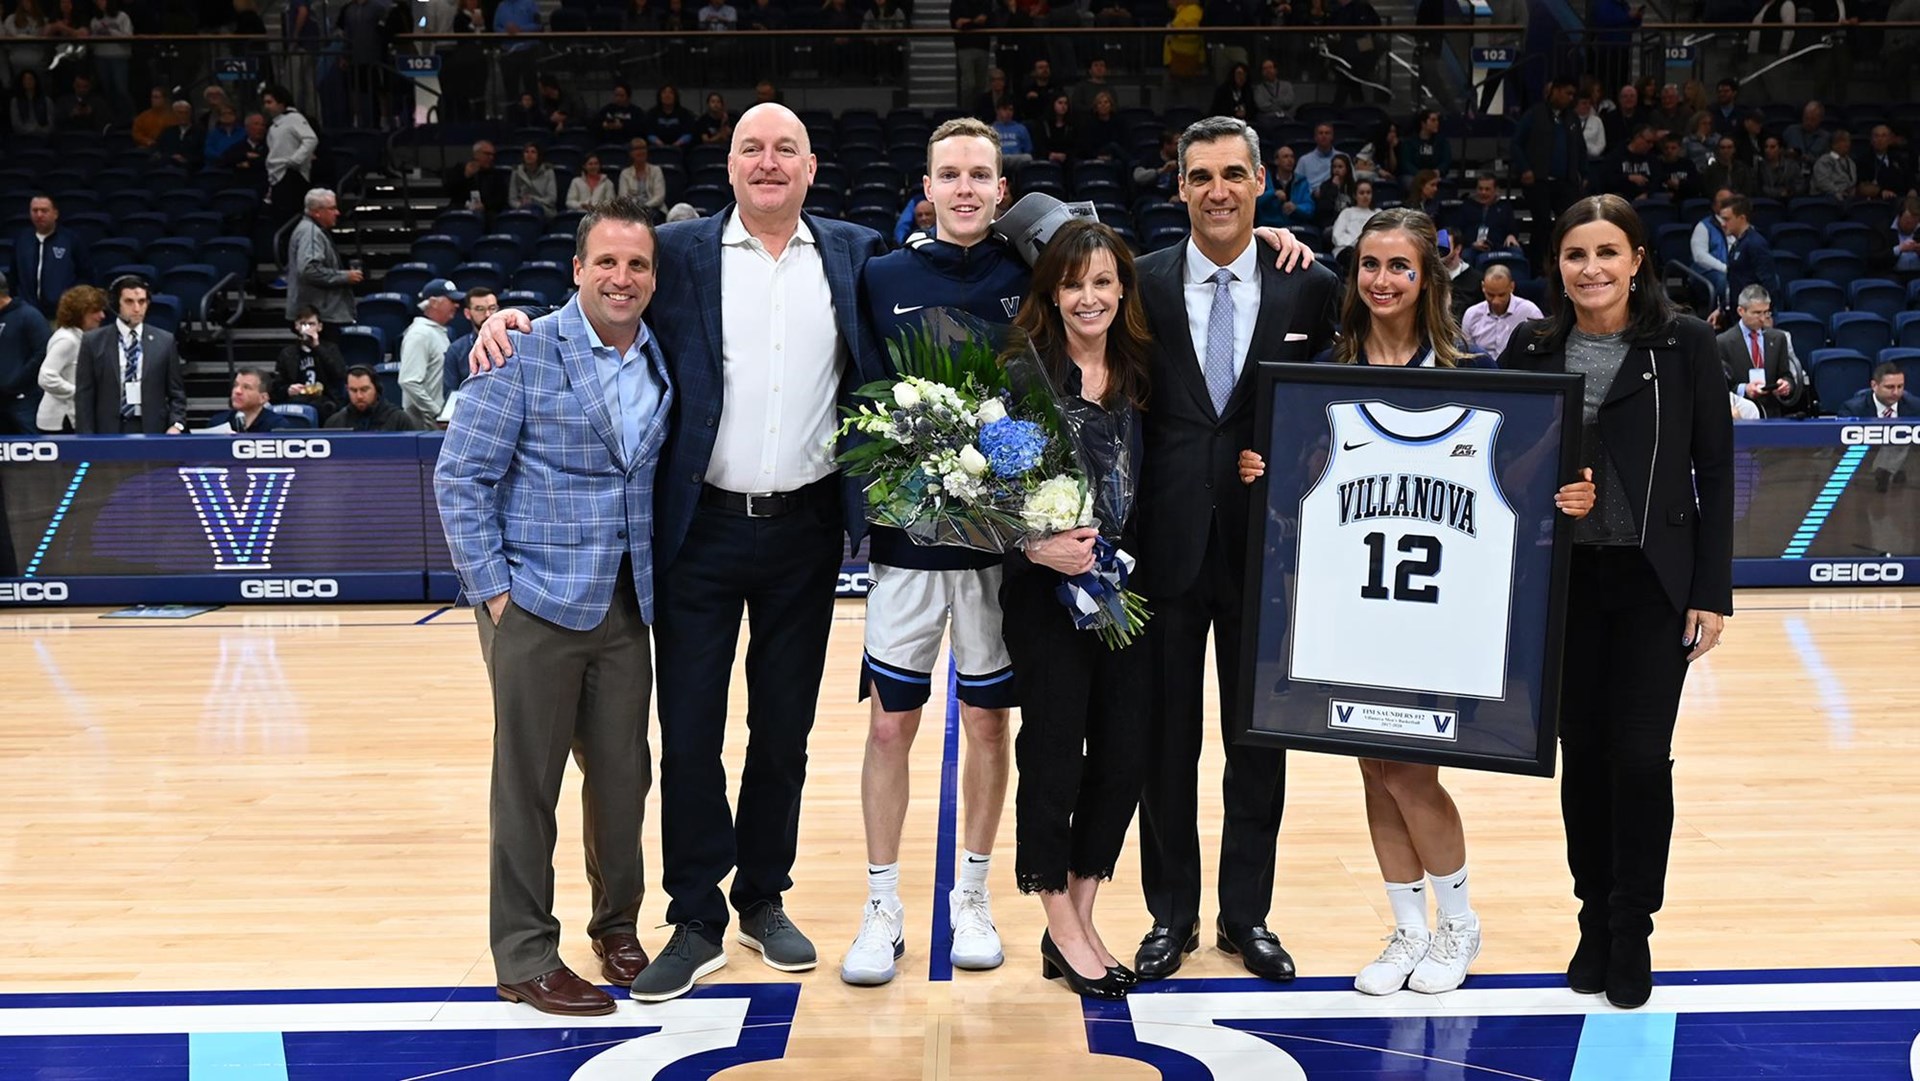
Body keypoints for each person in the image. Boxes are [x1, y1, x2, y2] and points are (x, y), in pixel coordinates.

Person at [471, 104, 892, 1004]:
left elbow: (976, 252)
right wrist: (511, 320)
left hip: (809, 529)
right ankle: (694, 913)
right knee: (689, 734)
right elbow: (602, 298)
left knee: (783, 733)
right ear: (729, 165)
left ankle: (763, 897)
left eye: (785, 150)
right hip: (696, 531)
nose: (768, 163)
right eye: (752, 149)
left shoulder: (857, 253)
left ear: (812, 167)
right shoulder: (685, 248)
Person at [1236, 209, 1568, 997]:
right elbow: (1292, 486)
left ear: (1430, 281)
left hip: (1436, 614)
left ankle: (1457, 921)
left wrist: (1566, 481)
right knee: (1372, 769)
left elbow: (1514, 495)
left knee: (1412, 771)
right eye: (1371, 266)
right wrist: (1264, 467)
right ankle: (1409, 927)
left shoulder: (1473, 379)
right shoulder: (1321, 375)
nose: (1382, 281)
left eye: (1400, 267)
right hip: (1348, 608)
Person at [435, 196, 672, 1019]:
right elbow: (459, 477)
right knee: (526, 787)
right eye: (605, 261)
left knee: (623, 778)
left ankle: (617, 926)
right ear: (576, 269)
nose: (621, 276)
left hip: (626, 604)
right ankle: (526, 954)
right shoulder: (521, 351)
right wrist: (496, 593)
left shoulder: (662, 356)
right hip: (535, 601)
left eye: (636, 263)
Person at [1496, 193, 1732, 1011]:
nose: (1590, 268)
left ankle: (1633, 925)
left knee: (1639, 757)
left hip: (1651, 583)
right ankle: (1593, 915)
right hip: (1564, 583)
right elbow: (1499, 465)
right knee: (1583, 756)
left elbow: (1717, 470)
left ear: (1637, 260)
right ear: (1556, 267)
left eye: (1607, 252)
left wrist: (1712, 590)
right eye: (1574, 255)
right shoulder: (1532, 346)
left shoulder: (1686, 343)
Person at [1132, 116, 1339, 984]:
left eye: (1233, 174)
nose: (1217, 189)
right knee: (1165, 748)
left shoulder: (1314, 287)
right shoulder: (1136, 283)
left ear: (1262, 183)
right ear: (1179, 188)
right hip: (1164, 548)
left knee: (1259, 747)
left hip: (1273, 555)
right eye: (1200, 175)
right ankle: (1168, 916)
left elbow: (1340, 410)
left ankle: (1246, 915)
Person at [839, 119, 1030, 989]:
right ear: (927, 183)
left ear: (1001, 188)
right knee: (890, 723)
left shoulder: (1033, 273)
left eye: (979, 175)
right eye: (949, 173)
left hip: (1001, 547)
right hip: (908, 544)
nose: (964, 188)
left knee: (991, 721)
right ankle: (882, 906)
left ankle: (975, 895)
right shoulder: (881, 276)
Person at [996, 220, 1155, 1000]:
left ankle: (1084, 914)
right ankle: (1058, 915)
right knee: (1055, 750)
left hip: (1128, 589)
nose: (1088, 297)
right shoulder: (1021, 373)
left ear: (1122, 287)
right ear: (1050, 293)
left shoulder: (1141, 369)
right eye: (1072, 283)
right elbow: (979, 497)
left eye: (1101, 281)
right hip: (1044, 594)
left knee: (1126, 751)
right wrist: (1034, 547)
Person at [73, 275, 187, 435]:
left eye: (141, 301)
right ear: (115, 304)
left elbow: (177, 393)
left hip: (152, 428)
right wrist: (86, 436)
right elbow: (84, 396)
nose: (136, 308)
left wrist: (177, 425)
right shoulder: (93, 342)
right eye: (129, 301)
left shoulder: (165, 341)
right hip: (108, 429)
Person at [1512, 78, 1587, 265]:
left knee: (1571, 224)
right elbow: (1515, 144)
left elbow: (1580, 148)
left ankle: (1568, 262)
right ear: (1555, 91)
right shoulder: (1533, 114)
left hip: (1565, 181)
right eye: (1568, 93)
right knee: (1542, 224)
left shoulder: (1572, 118)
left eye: (1572, 94)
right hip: (1538, 180)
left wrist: (1584, 174)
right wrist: (1525, 169)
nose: (1571, 98)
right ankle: (1537, 265)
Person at [1715, 286, 1806, 419]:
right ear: (1741, 311)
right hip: (1740, 416)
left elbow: (1786, 375)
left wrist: (1786, 385)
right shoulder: (1723, 342)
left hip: (1772, 415)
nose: (1763, 318)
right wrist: (1745, 389)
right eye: (1757, 313)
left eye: (1766, 312)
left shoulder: (1778, 338)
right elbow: (1719, 387)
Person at [35, 284, 106, 433]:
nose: (102, 316)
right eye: (95, 311)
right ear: (79, 313)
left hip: (75, 417)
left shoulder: (82, 338)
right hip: (59, 421)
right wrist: (80, 393)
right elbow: (46, 377)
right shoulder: (67, 340)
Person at [286, 189, 362, 326]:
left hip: (316, 314)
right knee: (319, 347)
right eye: (332, 208)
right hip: (318, 316)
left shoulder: (309, 230)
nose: (337, 212)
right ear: (316, 212)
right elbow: (310, 270)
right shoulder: (310, 233)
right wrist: (344, 277)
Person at [401, 279, 464, 427]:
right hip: (425, 426)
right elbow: (409, 381)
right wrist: (438, 413)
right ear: (434, 302)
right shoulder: (420, 334)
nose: (456, 305)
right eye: (451, 300)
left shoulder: (436, 332)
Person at [13, 195, 87, 319]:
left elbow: (85, 274)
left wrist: (69, 299)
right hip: (26, 313)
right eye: (35, 210)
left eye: (44, 210)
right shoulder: (22, 240)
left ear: (55, 214)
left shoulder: (70, 240)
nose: (39, 215)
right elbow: (14, 277)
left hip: (60, 314)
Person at [0, 271, 52, 434]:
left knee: (34, 450)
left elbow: (43, 353)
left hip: (25, 401)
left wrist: (15, 382)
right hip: (2, 400)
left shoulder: (29, 315)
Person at [1714, 196, 1777, 330]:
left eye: (1727, 219)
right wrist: (1722, 308)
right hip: (1738, 315)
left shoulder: (1756, 243)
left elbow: (1768, 282)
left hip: (1754, 319)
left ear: (1741, 218)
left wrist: (1765, 315)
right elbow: (1735, 281)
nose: (1723, 224)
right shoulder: (1738, 243)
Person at [262, 86, 319, 234]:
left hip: (292, 176)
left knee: (291, 218)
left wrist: (295, 160)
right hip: (277, 176)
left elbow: (310, 139)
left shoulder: (294, 118)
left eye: (270, 102)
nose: (266, 106)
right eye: (265, 102)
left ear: (281, 103)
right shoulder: (273, 126)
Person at [276, 307, 348, 417]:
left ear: (320, 327)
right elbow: (277, 386)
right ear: (297, 326)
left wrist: (317, 347)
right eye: (303, 324)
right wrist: (288, 390)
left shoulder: (331, 349)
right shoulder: (287, 353)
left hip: (325, 399)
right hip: (297, 399)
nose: (307, 329)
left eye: (311, 324)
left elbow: (340, 373)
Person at [1461, 263, 1544, 358]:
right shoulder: (1471, 315)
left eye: (1501, 295)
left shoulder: (1530, 312)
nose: (1496, 301)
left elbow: (1540, 348)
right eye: (1490, 295)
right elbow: (1466, 353)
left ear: (1511, 287)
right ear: (1483, 287)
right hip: (1482, 370)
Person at [324, 365, 422, 430]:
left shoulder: (399, 420)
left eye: (364, 389)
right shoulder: (335, 423)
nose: (359, 396)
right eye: (353, 390)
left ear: (377, 388)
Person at [213, 369, 289, 433]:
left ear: (263, 398)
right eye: (235, 385)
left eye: (246, 387)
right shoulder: (218, 422)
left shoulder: (277, 426)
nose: (237, 391)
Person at [1837, 361, 1917, 418]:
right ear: (1874, 385)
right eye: (1890, 387)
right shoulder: (1852, 410)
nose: (1896, 392)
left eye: (1900, 386)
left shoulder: (1916, 407)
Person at [618, 140, 667, 219]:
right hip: (632, 210)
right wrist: (636, 208)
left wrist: (645, 206)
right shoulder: (625, 173)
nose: (641, 151)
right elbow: (623, 197)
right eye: (637, 149)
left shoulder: (656, 170)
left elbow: (659, 197)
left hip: (653, 208)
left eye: (643, 148)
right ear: (631, 153)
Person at [1331, 178, 1379, 254]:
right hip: (1347, 250)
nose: (1365, 196)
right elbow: (1336, 236)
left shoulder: (1378, 213)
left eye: (1368, 192)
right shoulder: (1347, 212)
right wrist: (1355, 244)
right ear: (1355, 195)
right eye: (1361, 193)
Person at [509, 143, 558, 218]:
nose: (529, 154)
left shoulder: (548, 172)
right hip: (521, 209)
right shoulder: (516, 172)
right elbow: (512, 199)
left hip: (544, 210)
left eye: (533, 152)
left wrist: (533, 201)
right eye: (526, 152)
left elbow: (551, 199)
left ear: (539, 155)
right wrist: (521, 205)